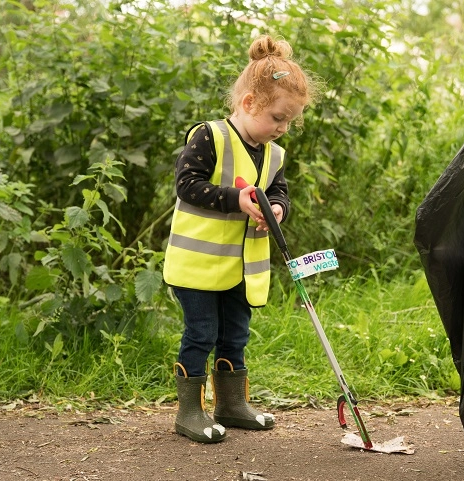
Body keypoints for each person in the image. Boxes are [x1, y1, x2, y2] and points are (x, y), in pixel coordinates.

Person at [162, 34, 318, 443]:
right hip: (197, 266)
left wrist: (277, 208)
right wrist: (237, 200)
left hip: (242, 268)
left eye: (289, 122)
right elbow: (186, 185)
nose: (283, 128)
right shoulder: (209, 137)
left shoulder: (274, 154)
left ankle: (231, 405)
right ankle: (189, 412)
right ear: (249, 103)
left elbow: (279, 192)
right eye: (278, 118)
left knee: (235, 335)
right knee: (201, 334)